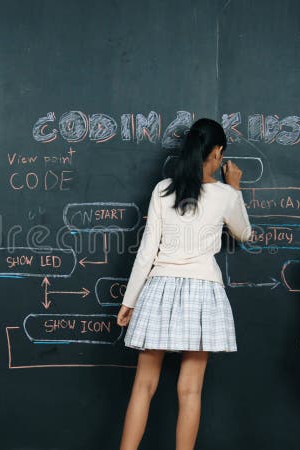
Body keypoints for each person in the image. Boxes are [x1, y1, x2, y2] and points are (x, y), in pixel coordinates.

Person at [116, 118, 252, 450]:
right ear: (217, 152)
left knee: (143, 386)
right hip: (203, 293)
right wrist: (234, 186)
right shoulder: (224, 195)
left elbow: (147, 250)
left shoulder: (163, 189)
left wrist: (129, 301)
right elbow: (244, 233)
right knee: (189, 390)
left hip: (158, 289)